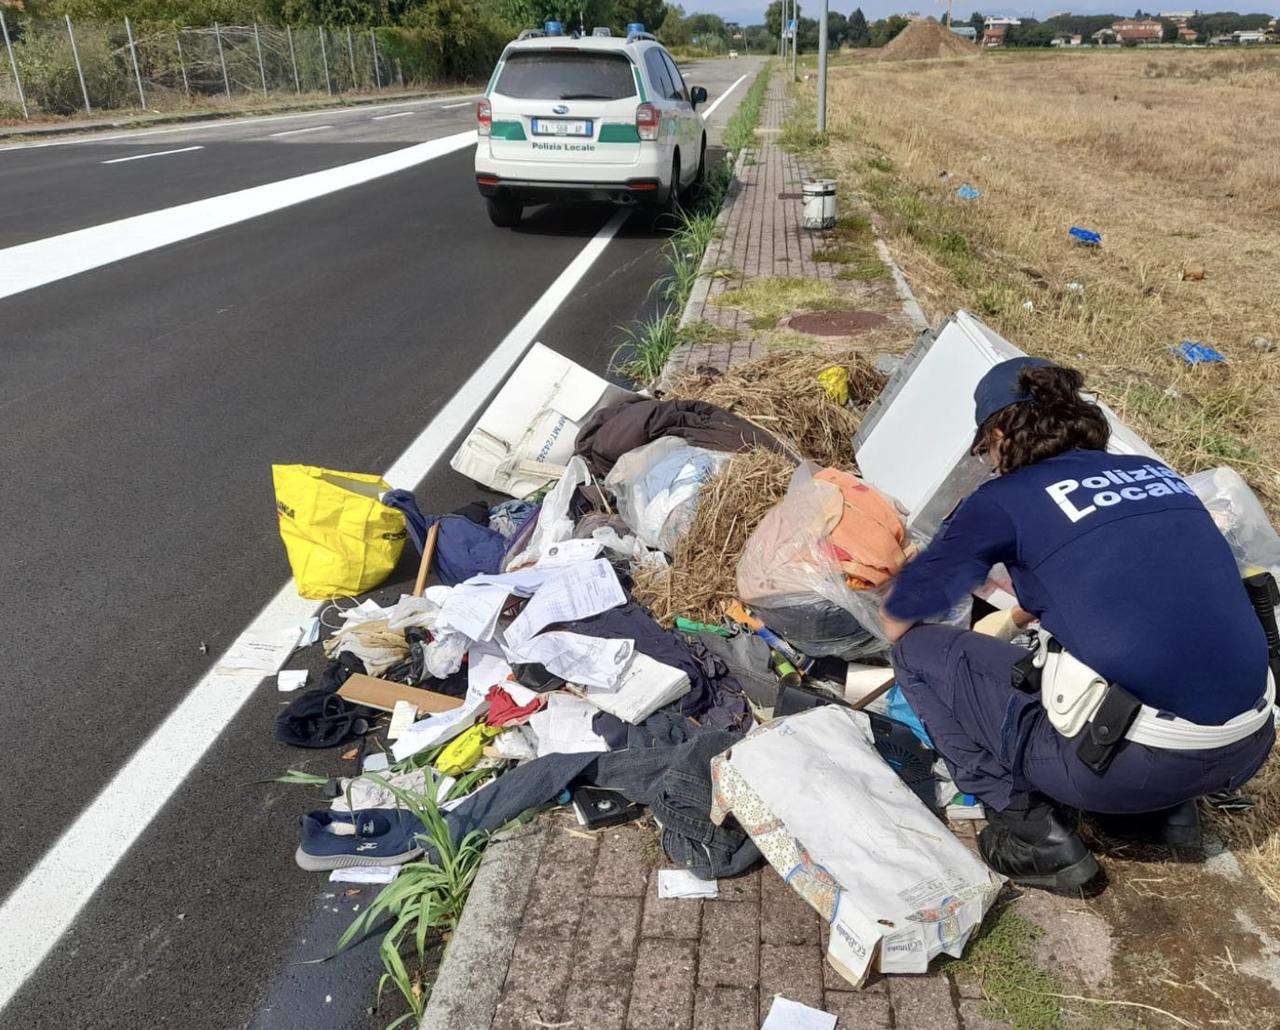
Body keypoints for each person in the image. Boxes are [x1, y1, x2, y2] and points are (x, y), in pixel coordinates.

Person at [880, 356, 1276, 891]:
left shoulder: (1006, 498)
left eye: (986, 451)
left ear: (1000, 434)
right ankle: (1164, 817)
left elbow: (901, 615)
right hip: (1248, 742)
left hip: (1137, 768)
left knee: (916, 654)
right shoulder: (1158, 475)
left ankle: (1030, 830)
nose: (991, 462)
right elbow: (1136, 588)